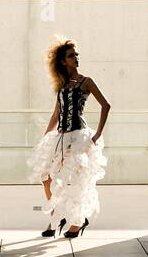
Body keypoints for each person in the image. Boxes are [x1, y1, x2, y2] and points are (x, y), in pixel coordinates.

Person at [27, 38, 110, 238]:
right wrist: (46, 136)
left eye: (76, 55)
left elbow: (106, 105)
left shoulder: (86, 82)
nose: (76, 58)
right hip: (61, 137)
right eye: (71, 55)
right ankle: (56, 217)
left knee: (76, 180)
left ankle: (77, 222)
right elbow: (56, 115)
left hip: (79, 136)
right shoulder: (62, 86)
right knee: (45, 176)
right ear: (63, 61)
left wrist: (98, 134)